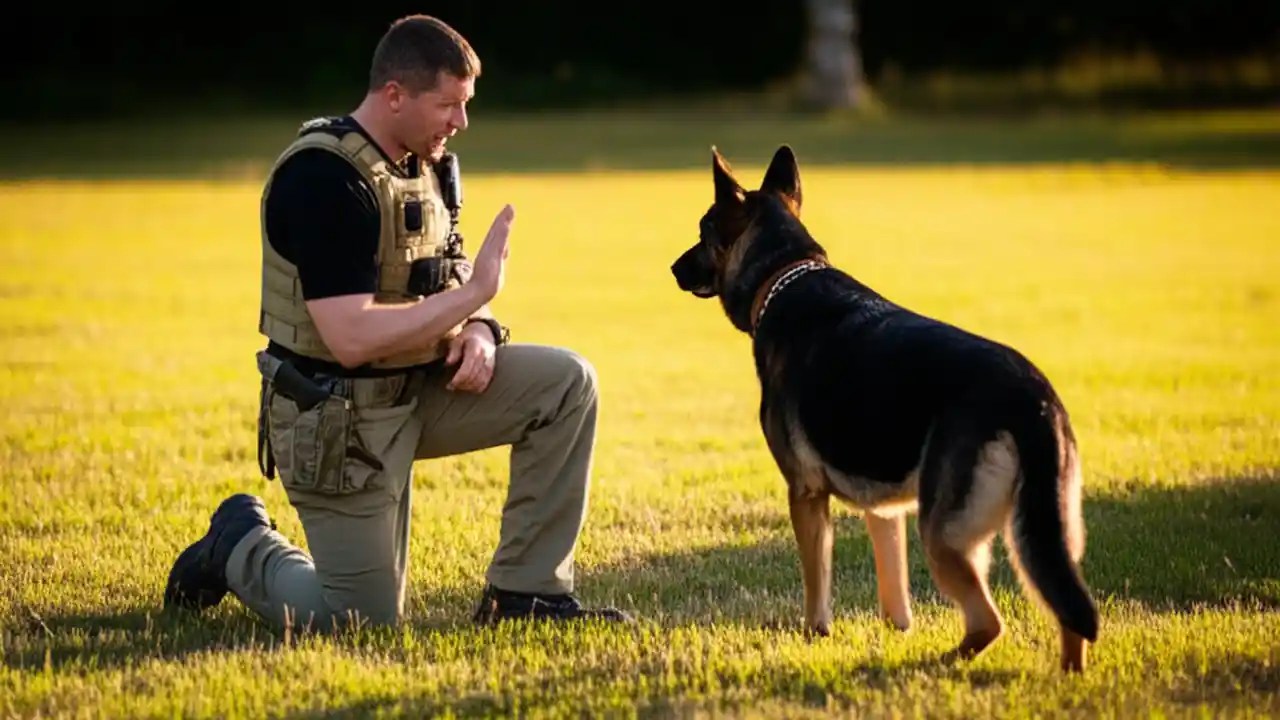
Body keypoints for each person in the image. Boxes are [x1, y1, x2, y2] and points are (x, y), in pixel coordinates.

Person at [163, 14, 630, 630]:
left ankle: (525, 597)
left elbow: (451, 273)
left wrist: (480, 329)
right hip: (337, 419)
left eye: (466, 105)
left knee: (567, 383)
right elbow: (350, 338)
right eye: (449, 104)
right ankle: (240, 545)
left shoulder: (423, 161)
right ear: (394, 96)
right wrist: (474, 299)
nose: (460, 122)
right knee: (356, 621)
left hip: (418, 390)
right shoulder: (323, 180)